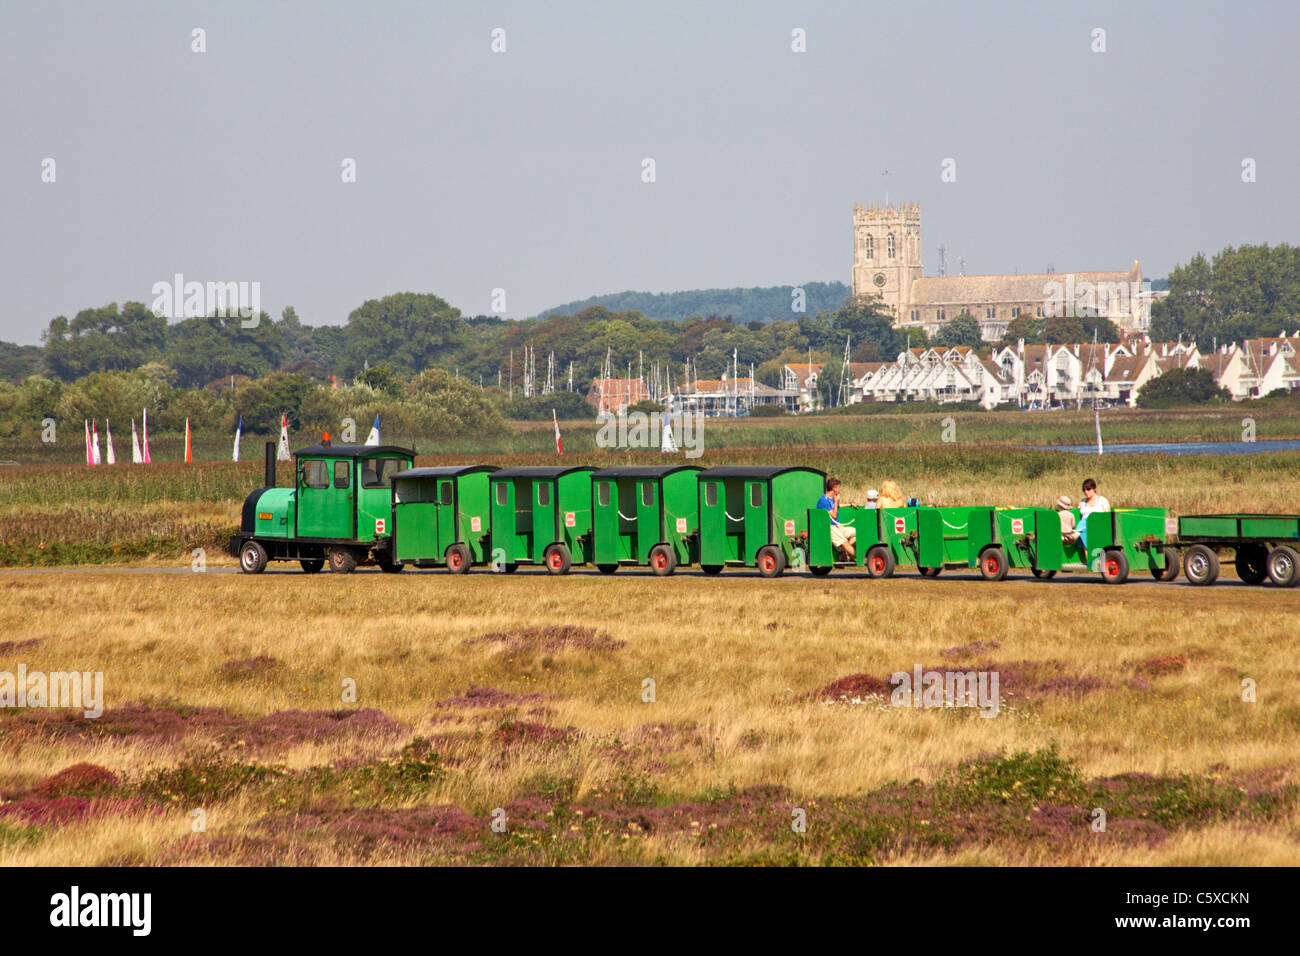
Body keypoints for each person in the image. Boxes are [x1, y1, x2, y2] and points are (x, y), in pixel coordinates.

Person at [817, 477, 856, 559]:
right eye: (839, 488)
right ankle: (863, 558)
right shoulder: (823, 501)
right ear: (834, 489)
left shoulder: (831, 498)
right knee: (845, 543)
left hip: (838, 526)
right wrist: (836, 502)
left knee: (857, 533)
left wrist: (850, 504)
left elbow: (837, 507)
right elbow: (834, 516)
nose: (839, 490)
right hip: (830, 527)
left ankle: (843, 554)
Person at [1076, 477, 1111, 556]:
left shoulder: (1102, 501)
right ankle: (1089, 562)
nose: (1086, 492)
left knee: (1084, 527)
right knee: (1084, 529)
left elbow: (1107, 516)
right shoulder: (1082, 502)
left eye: (1088, 489)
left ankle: (1076, 534)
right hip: (1085, 528)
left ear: (1094, 488)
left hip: (1098, 526)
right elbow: (1078, 514)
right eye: (1084, 490)